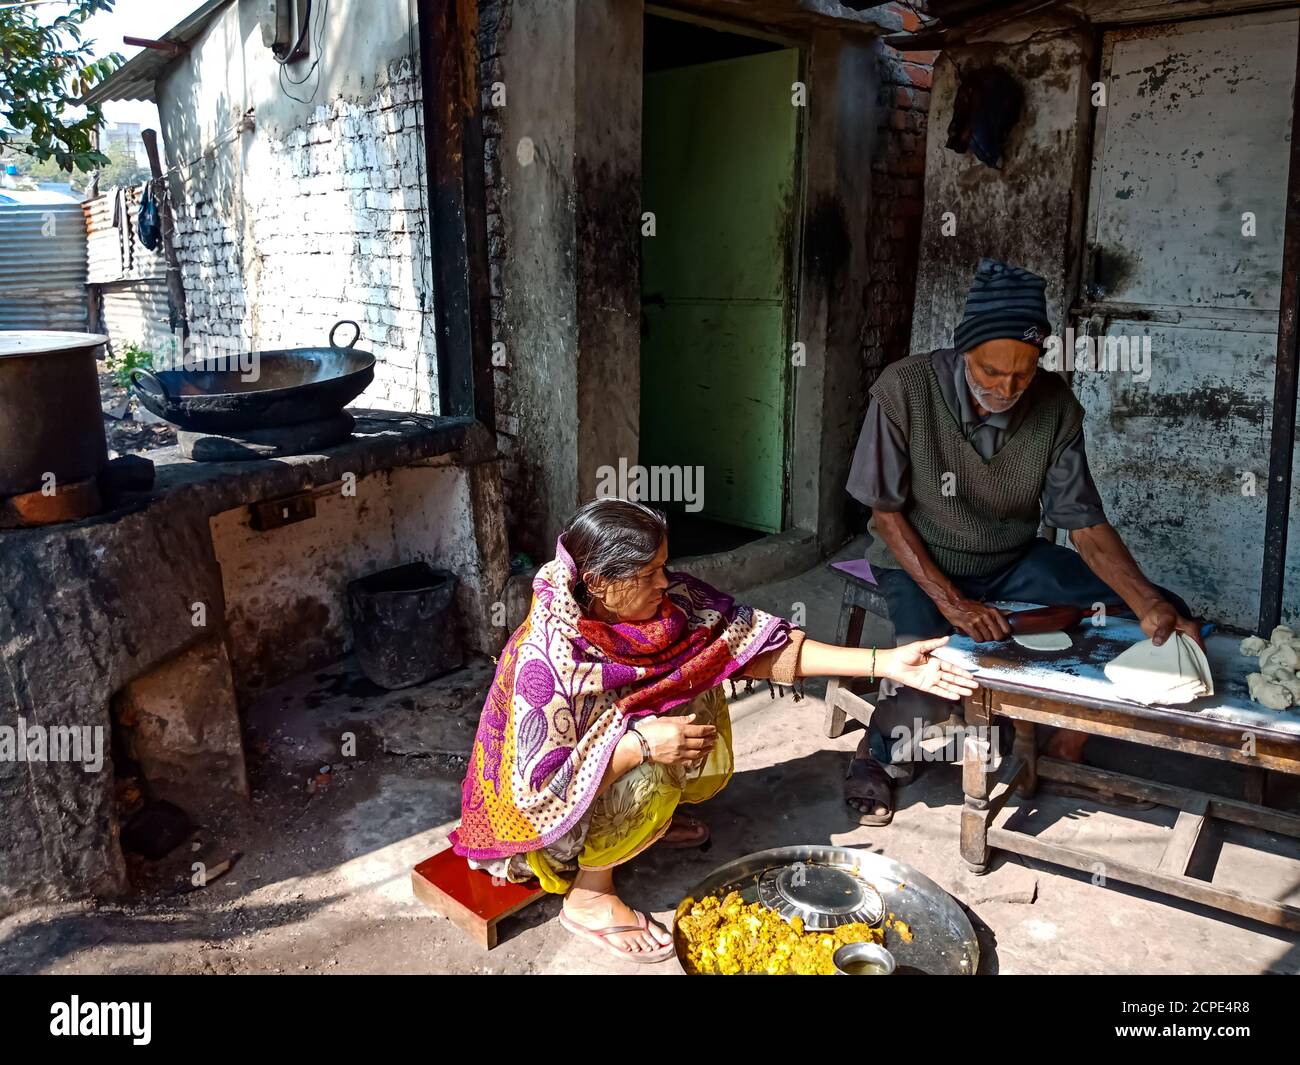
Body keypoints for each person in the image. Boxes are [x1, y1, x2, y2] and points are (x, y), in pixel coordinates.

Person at [452, 498, 976, 963]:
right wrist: (637, 746)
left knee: (706, 671)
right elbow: (535, 795)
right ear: (599, 585)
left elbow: (757, 647)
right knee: (653, 768)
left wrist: (887, 662)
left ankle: (645, 826)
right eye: (650, 573)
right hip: (544, 826)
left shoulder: (670, 604)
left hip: (602, 767)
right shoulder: (547, 658)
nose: (665, 581)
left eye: (664, 566)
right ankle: (590, 896)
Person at [844, 257, 1199, 826]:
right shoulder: (903, 388)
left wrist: (1145, 601)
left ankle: (1065, 743)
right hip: (918, 562)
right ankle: (877, 754)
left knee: (1161, 612)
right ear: (964, 353)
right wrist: (953, 605)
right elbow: (885, 513)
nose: (1005, 388)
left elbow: (1082, 522)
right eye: (989, 371)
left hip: (1011, 559)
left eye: (1022, 374)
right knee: (931, 675)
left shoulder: (1056, 406)